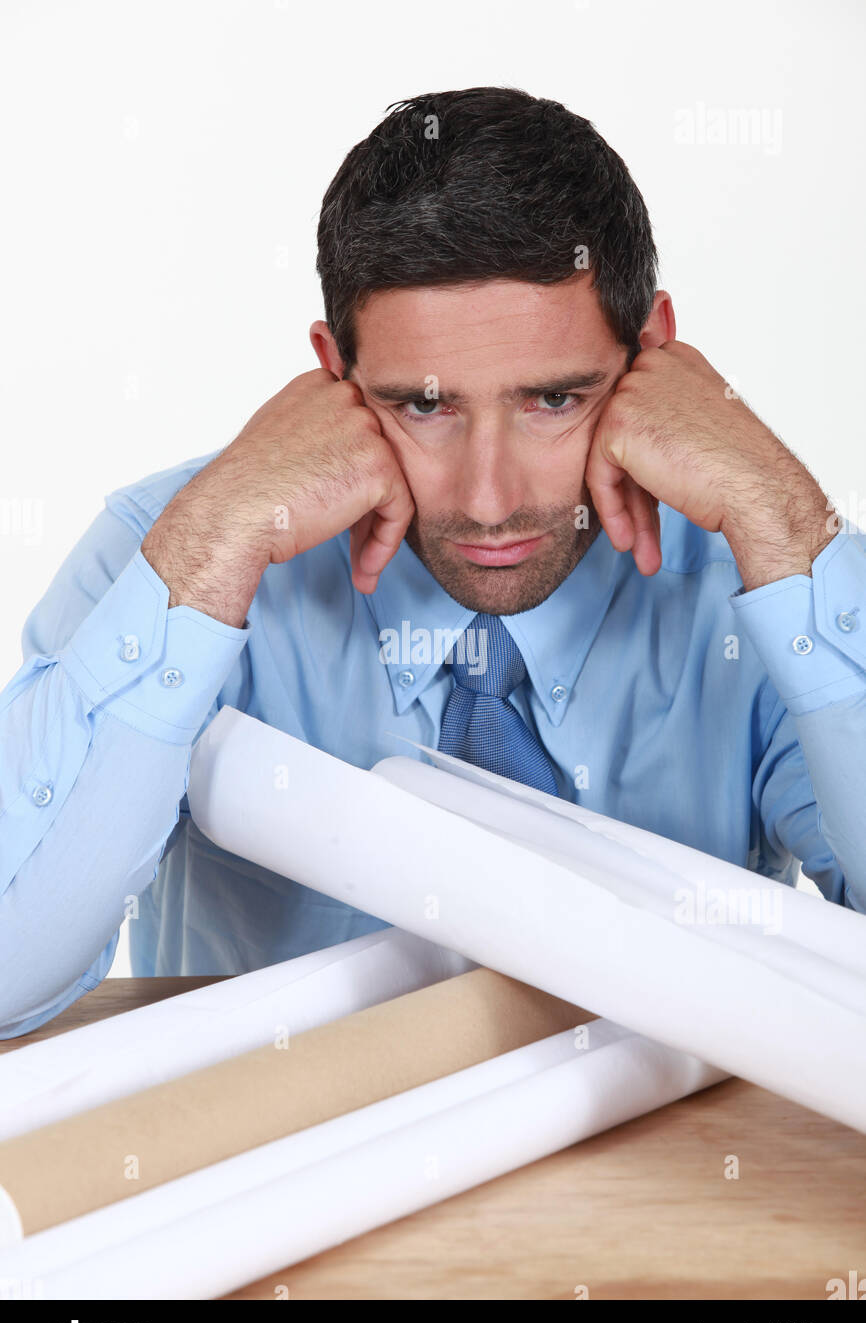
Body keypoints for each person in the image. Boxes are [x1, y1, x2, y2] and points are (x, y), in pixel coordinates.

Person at [1, 86, 863, 1038]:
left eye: (552, 402)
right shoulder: (170, 559)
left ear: (651, 352)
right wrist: (209, 551)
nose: (489, 500)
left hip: (694, 1174)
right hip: (278, 1167)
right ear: (335, 375)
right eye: (423, 406)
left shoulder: (756, 580)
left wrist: (788, 527)